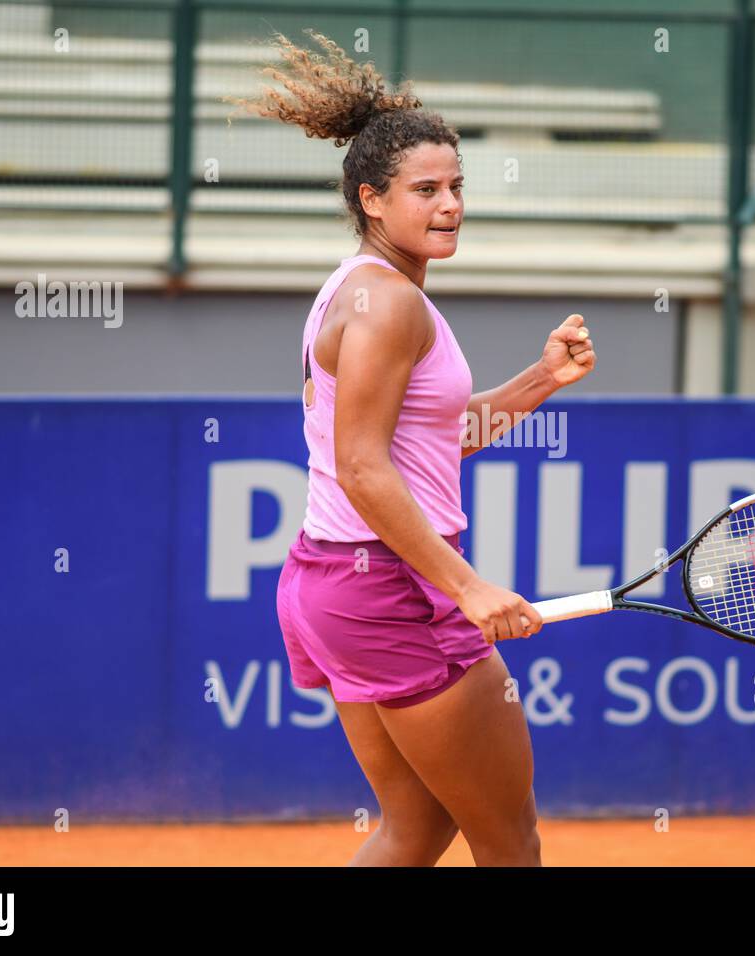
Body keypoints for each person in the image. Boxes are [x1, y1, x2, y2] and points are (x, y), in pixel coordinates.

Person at [229, 29, 596, 866]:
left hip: (330, 582)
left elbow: (420, 443)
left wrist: (538, 381)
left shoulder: (353, 288)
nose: (450, 205)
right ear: (371, 199)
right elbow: (363, 467)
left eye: (457, 186)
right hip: (392, 591)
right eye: (424, 189)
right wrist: (465, 587)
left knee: (417, 828)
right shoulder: (391, 305)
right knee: (511, 839)